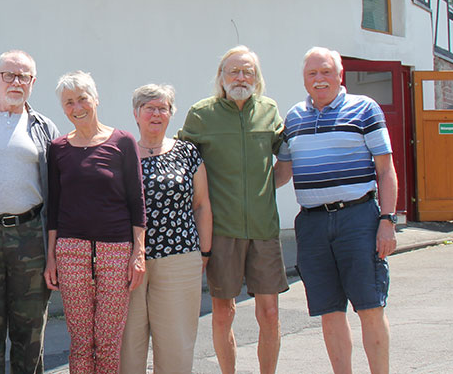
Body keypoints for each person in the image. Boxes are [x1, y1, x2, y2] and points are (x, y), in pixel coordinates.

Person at [278, 47, 398, 374]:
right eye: (312, 74)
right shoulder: (293, 118)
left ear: (339, 74)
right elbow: (283, 172)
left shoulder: (365, 109)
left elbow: (386, 170)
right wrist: (237, 181)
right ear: (304, 79)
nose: (319, 79)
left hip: (358, 218)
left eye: (326, 72)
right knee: (329, 312)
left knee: (370, 306)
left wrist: (387, 221)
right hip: (312, 224)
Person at [177, 46, 289, 374]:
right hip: (221, 230)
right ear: (221, 77)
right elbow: (185, 165)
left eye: (248, 71)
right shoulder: (201, 114)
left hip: (264, 229)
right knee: (223, 312)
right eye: (234, 71)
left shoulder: (269, 110)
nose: (241, 77)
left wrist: (265, 191)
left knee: (269, 313)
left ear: (257, 77)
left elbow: (285, 159)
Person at [0, 50, 60, 374]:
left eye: (24, 76)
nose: (15, 82)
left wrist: (53, 250)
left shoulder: (45, 127)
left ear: (33, 83)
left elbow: (57, 191)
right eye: (9, 75)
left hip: (30, 237)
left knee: (30, 330)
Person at [44, 71, 146, 374]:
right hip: (70, 251)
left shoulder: (123, 142)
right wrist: (51, 257)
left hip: (115, 250)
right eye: (69, 102)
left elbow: (136, 201)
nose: (77, 107)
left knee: (107, 341)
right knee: (80, 342)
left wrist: (137, 253)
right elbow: (54, 206)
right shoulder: (58, 148)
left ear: (96, 99)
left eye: (82, 99)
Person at [120, 84, 213, 374]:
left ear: (171, 114)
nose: (156, 114)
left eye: (163, 108)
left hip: (179, 257)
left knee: (176, 344)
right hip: (128, 262)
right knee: (127, 345)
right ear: (136, 114)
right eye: (149, 108)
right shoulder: (122, 153)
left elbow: (202, 204)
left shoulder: (186, 152)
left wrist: (204, 252)